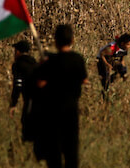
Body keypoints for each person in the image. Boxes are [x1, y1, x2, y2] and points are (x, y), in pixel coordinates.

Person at [32, 24, 88, 168]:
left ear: (55, 41)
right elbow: (84, 80)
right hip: (71, 111)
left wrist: (40, 66)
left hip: (53, 112)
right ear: (72, 40)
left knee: (54, 152)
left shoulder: (50, 61)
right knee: (71, 152)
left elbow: (40, 83)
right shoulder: (78, 59)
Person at [10, 39, 38, 143]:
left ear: (18, 52)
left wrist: (13, 103)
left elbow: (18, 84)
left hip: (30, 99)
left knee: (26, 123)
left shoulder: (18, 65)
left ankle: (26, 145)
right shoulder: (35, 63)